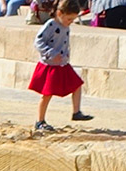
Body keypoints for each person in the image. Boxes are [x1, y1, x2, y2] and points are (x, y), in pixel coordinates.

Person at [32, 0, 92, 130]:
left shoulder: (66, 26)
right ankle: (40, 120)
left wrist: (65, 55)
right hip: (50, 65)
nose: (70, 22)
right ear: (60, 13)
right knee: (47, 94)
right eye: (69, 19)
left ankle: (76, 112)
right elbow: (38, 42)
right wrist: (51, 53)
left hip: (62, 64)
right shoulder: (51, 25)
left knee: (77, 85)